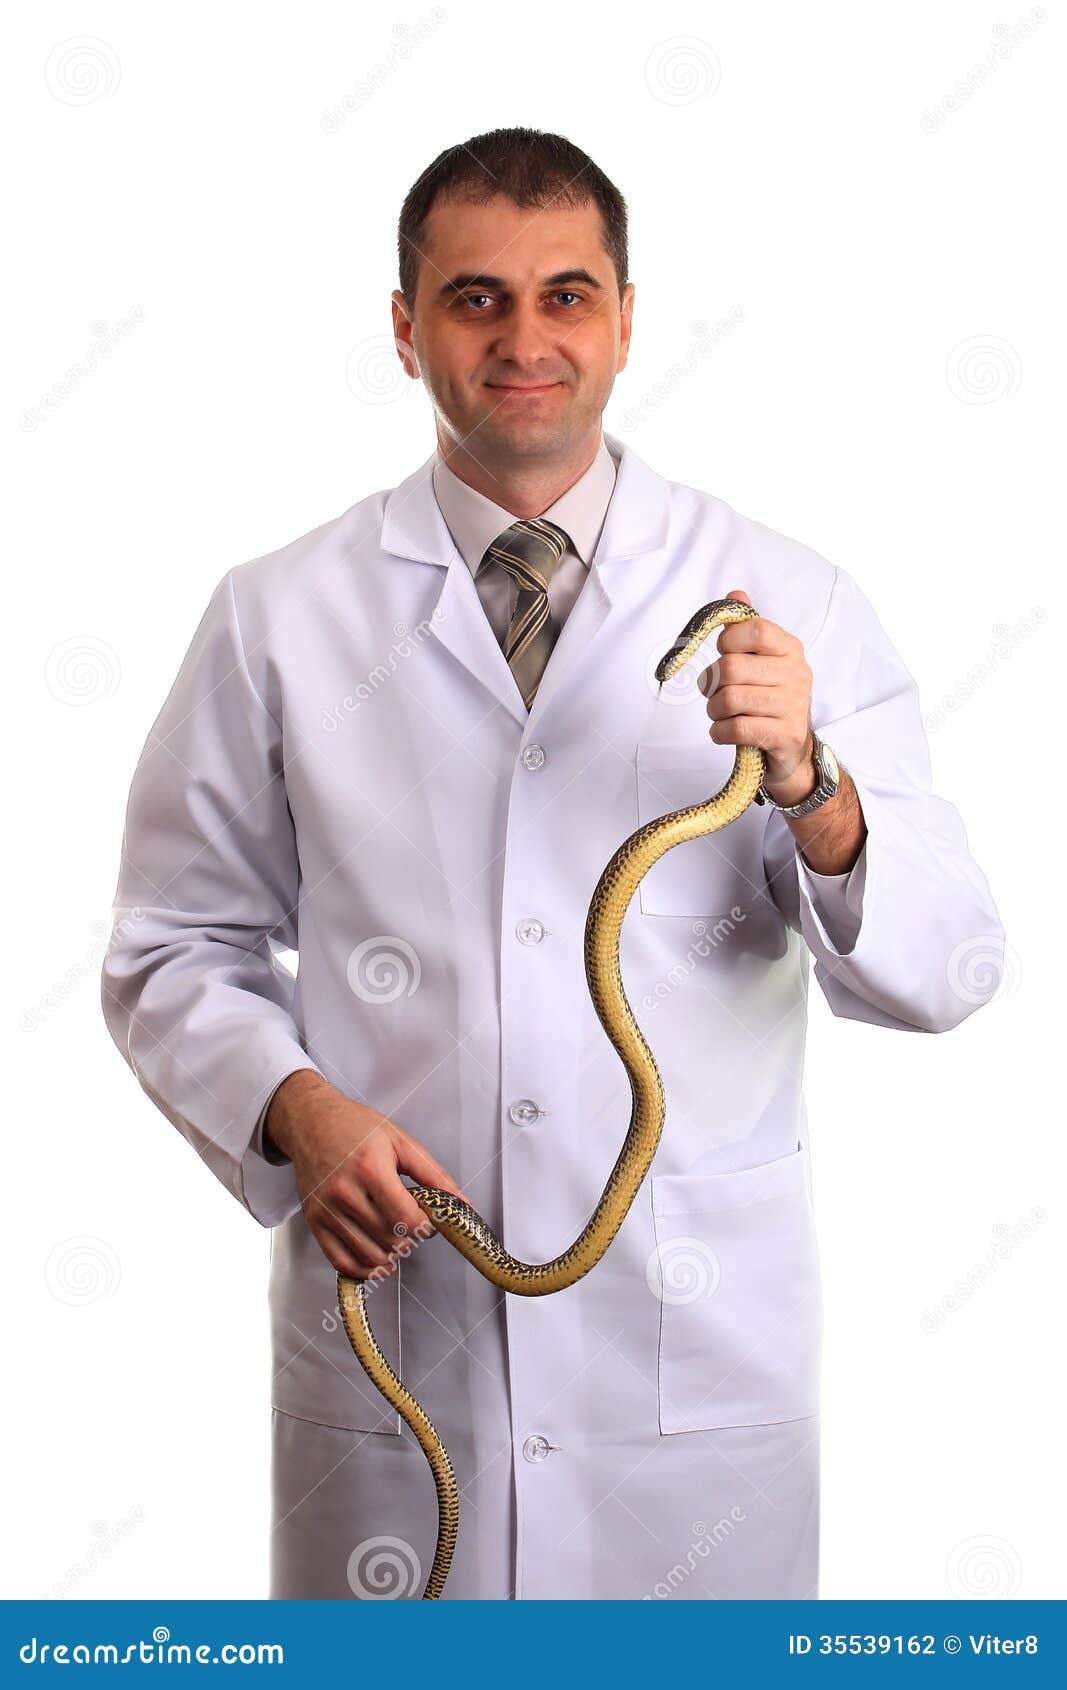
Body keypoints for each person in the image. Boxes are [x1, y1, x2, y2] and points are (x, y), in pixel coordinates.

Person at [101, 126, 1005, 1601]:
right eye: (476, 298)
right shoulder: (280, 614)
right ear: (407, 329)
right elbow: (168, 944)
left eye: (566, 295)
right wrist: (296, 1110)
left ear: (627, 321)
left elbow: (951, 964)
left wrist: (814, 785)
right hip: (404, 1357)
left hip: (691, 1383)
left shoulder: (794, 599)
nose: (525, 341)